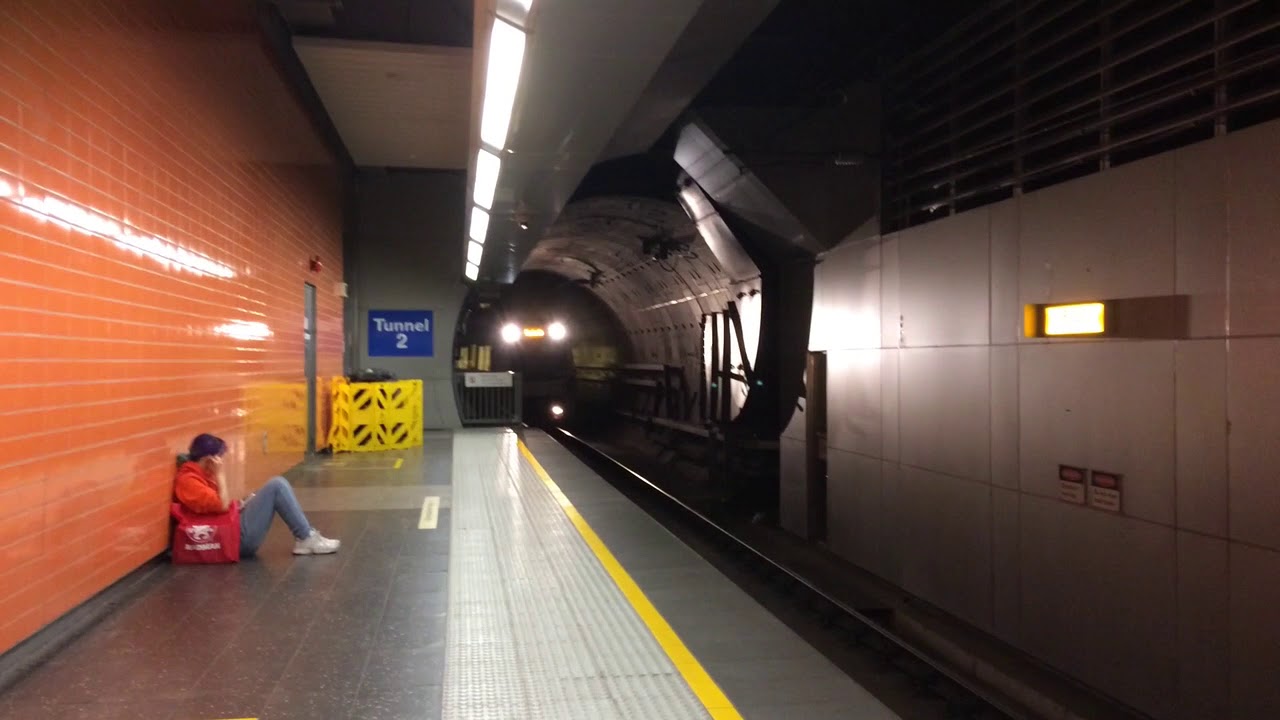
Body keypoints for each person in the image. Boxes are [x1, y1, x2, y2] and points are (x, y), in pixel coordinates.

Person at [173, 433, 340, 557]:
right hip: (234, 540)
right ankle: (306, 537)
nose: (221, 462)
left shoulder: (199, 475)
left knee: (273, 487)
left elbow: (216, 507)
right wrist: (220, 475)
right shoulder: (189, 481)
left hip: (230, 530)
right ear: (209, 460)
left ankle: (306, 535)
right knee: (277, 485)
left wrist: (240, 505)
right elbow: (221, 505)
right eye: (219, 459)